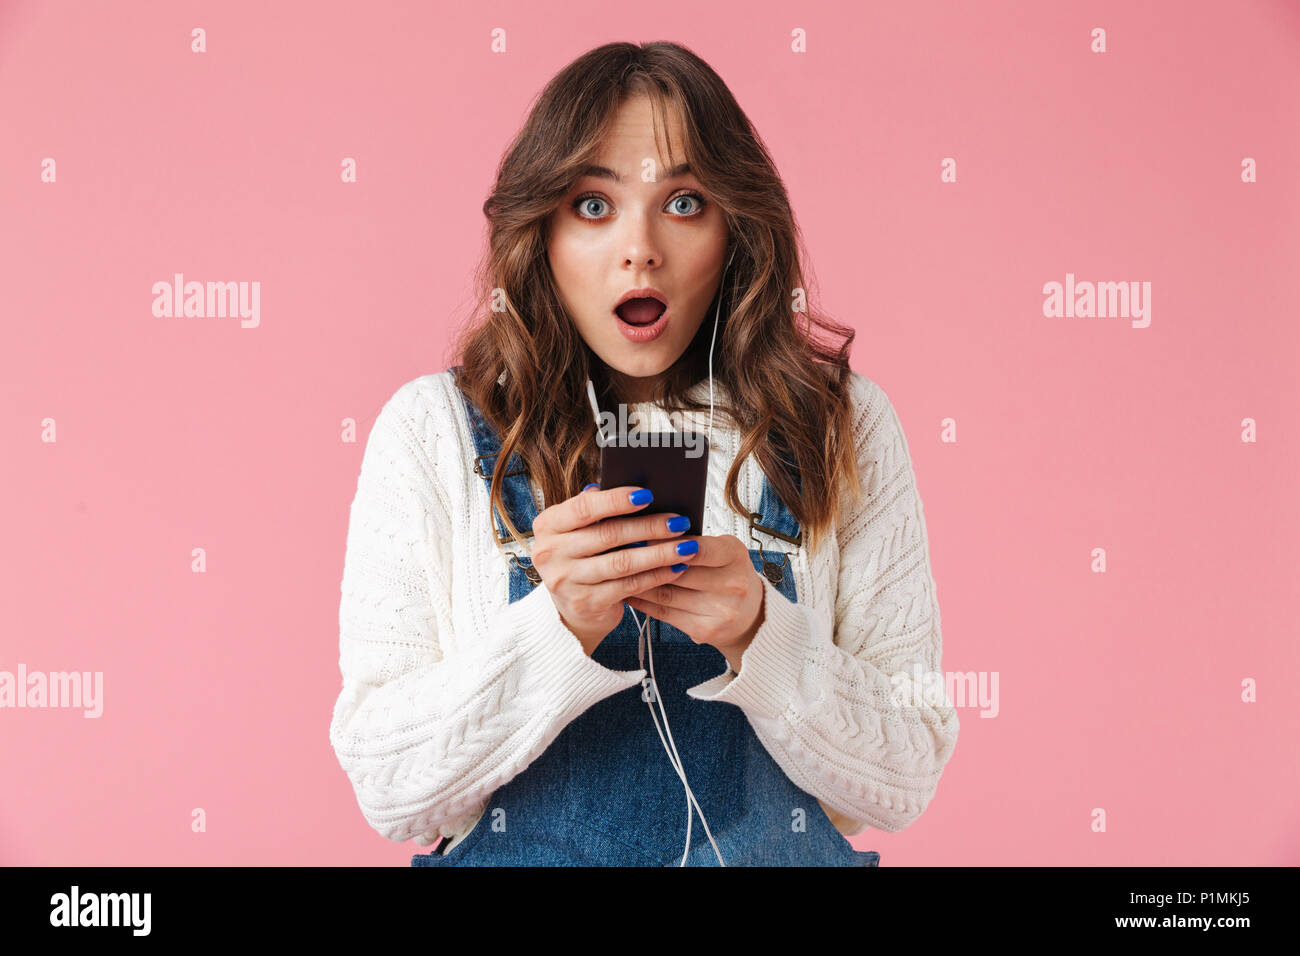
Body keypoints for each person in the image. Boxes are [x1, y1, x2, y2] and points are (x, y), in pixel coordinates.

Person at [328, 41, 959, 867]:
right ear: (542, 233)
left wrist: (762, 635)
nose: (641, 249)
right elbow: (391, 788)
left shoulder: (838, 425)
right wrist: (557, 628)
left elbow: (902, 776)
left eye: (686, 202)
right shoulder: (435, 432)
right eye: (594, 205)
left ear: (737, 227)